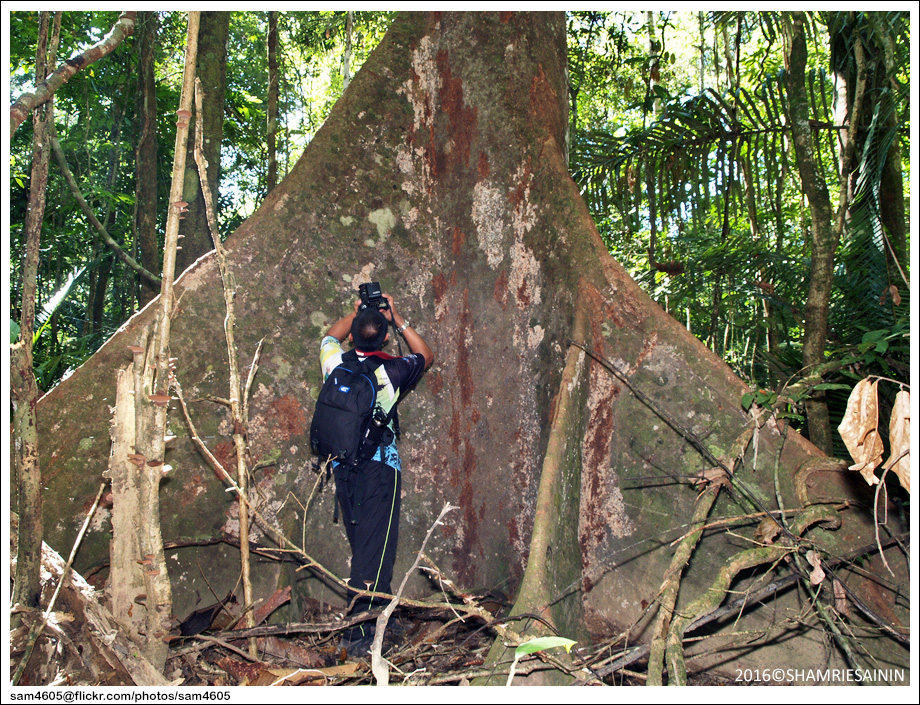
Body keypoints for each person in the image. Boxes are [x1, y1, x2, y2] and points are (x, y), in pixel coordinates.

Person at [319, 292, 434, 656]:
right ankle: (357, 637)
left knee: (368, 544)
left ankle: (378, 618)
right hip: (380, 467)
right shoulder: (393, 370)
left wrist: (353, 315)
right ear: (385, 338)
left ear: (352, 335)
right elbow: (427, 356)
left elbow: (328, 338)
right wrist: (396, 317)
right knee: (375, 546)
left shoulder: (335, 364)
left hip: (342, 465)